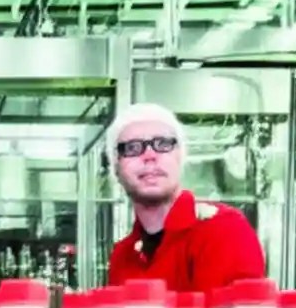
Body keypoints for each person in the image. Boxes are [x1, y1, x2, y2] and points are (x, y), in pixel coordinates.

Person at [105, 103, 265, 292]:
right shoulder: (122, 256)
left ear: (181, 157)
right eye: (132, 148)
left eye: (163, 144)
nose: (149, 155)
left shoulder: (224, 230)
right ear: (116, 167)